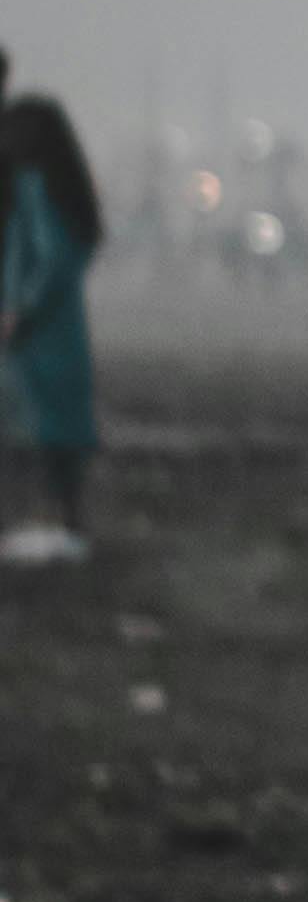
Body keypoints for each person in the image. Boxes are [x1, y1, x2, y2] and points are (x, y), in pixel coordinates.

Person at [0, 50, 105, 546]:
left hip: (35, 332)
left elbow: (45, 255)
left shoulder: (33, 178)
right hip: (50, 332)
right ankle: (64, 519)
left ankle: (58, 521)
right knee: (57, 433)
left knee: (42, 430)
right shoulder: (54, 183)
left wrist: (19, 310)